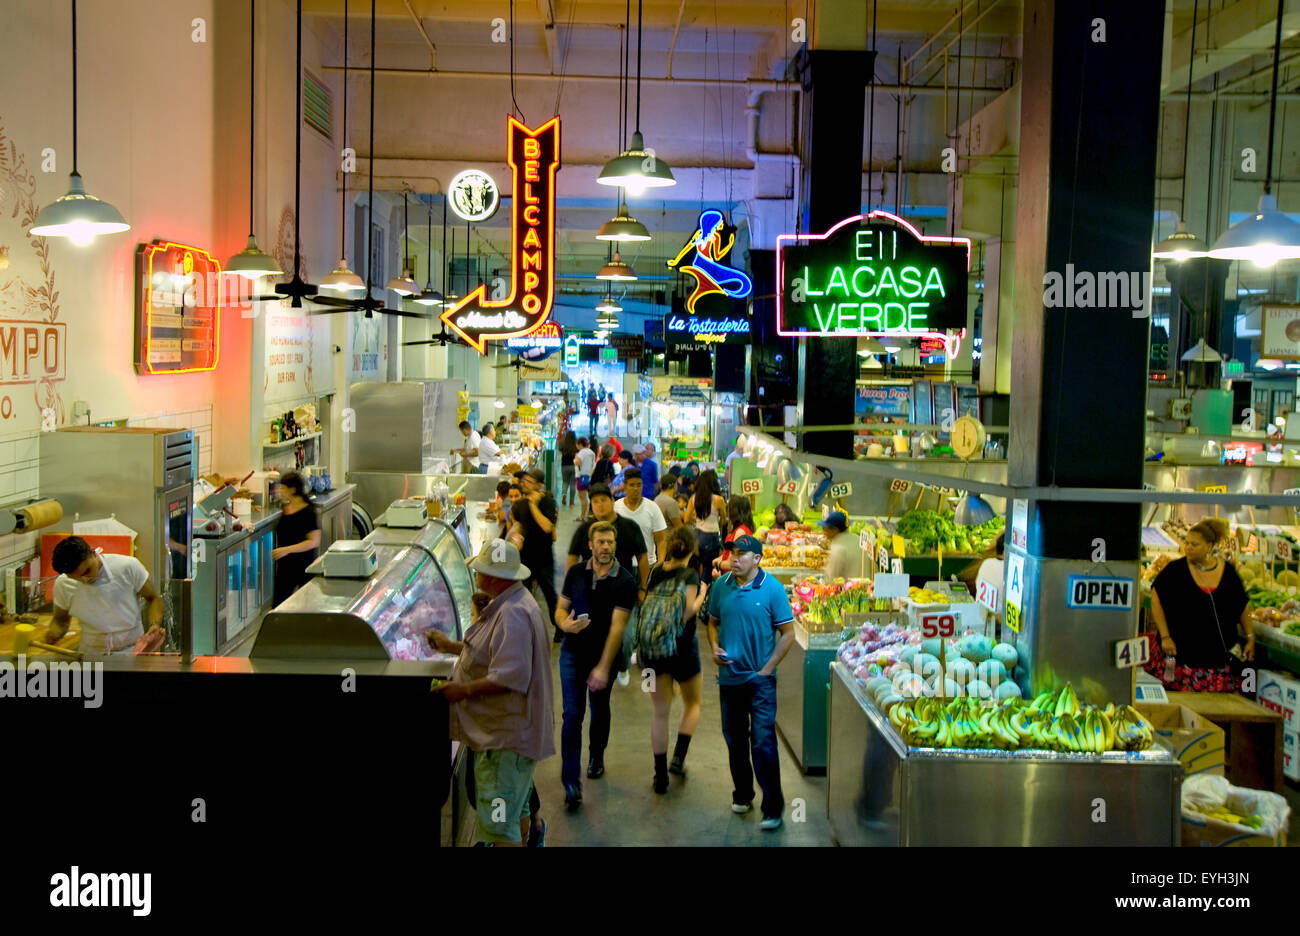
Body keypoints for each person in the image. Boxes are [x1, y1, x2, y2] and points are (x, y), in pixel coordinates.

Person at [428, 539, 555, 846]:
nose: (475, 576)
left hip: (503, 742)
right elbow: (495, 652)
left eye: (480, 571)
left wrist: (461, 690)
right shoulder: (518, 602)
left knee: (499, 826)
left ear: (495, 578)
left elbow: (509, 675)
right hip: (517, 739)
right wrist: (450, 647)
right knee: (516, 808)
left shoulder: (511, 614)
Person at [706, 535, 796, 830]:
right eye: (733, 552)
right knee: (734, 740)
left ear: (757, 559)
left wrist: (767, 669)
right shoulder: (721, 585)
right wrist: (714, 647)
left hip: (760, 682)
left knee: (763, 741)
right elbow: (712, 622)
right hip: (729, 678)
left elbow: (788, 634)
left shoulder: (773, 589)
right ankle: (743, 794)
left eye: (742, 554)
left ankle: (773, 806)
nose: (735, 558)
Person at [555, 521, 638, 809]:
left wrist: (603, 667)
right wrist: (565, 623)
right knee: (572, 715)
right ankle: (570, 783)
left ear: (615, 546)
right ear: (590, 545)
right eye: (600, 542)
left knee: (599, 708)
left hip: (604, 654)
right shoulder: (576, 573)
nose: (605, 547)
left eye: (610, 543)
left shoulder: (625, 581)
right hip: (572, 654)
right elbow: (561, 608)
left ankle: (597, 754)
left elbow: (618, 628)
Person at [639, 526, 709, 793]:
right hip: (683, 650)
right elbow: (687, 612)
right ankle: (678, 759)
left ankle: (659, 776)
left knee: (660, 713)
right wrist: (702, 593)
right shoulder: (691, 574)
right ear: (691, 550)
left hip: (654, 652)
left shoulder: (656, 571)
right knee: (693, 705)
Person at [1150, 518, 1255, 686]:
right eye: (1187, 543)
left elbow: (1242, 606)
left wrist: (1250, 637)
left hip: (1217, 663)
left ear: (1209, 546)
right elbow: (1156, 600)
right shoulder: (1174, 571)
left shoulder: (1228, 573)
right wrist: (1165, 636)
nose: (1189, 548)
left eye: (1195, 544)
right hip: (1179, 659)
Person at [46, 536, 166, 656]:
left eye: (87, 571)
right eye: (76, 578)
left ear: (93, 553)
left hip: (132, 651)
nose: (85, 580)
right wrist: (52, 635)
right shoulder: (63, 584)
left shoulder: (127, 566)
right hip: (91, 655)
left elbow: (154, 598)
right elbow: (60, 621)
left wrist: (154, 624)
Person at [508, 468, 560, 638]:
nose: (525, 485)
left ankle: (559, 628)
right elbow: (516, 523)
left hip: (543, 557)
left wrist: (533, 505)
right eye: (524, 481)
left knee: (550, 593)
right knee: (524, 595)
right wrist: (515, 537)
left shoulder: (547, 503)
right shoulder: (520, 505)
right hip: (525, 558)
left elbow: (547, 527)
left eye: (529, 482)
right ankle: (525, 629)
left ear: (539, 485)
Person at [567, 483, 650, 590]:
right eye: (595, 501)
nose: (600, 505)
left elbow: (642, 556)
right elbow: (572, 558)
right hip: (591, 590)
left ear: (612, 501)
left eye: (603, 500)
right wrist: (571, 589)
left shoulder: (630, 527)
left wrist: (644, 587)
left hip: (623, 589)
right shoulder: (584, 530)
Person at [271, 471, 322, 605]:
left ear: (292, 490)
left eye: (282, 488)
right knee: (279, 605)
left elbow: (314, 541)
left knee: (305, 604)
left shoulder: (308, 512)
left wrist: (287, 550)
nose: (279, 491)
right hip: (285, 567)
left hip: (303, 566)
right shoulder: (286, 507)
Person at [615, 467, 668, 567]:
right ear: (625, 486)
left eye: (639, 485)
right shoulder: (616, 508)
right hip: (621, 565)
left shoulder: (652, 507)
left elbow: (661, 540)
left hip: (648, 564)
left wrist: (660, 564)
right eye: (632, 485)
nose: (635, 488)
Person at [687, 469, 727, 584]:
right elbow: (723, 519)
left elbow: (686, 519)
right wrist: (718, 524)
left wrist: (698, 520)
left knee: (696, 565)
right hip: (711, 535)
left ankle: (696, 589)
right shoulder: (718, 499)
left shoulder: (693, 498)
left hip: (697, 534)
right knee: (708, 567)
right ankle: (704, 593)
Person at [714, 495, 755, 576]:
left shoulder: (740, 532)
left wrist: (717, 564)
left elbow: (731, 563)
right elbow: (727, 554)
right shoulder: (741, 529)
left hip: (732, 577)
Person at [819, 510, 861, 582]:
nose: (824, 532)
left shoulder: (838, 549)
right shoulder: (857, 537)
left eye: (825, 529)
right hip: (869, 586)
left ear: (835, 529)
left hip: (851, 589)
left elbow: (830, 578)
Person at [574, 437, 597, 520]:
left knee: (582, 497)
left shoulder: (581, 452)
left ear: (580, 444)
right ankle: (586, 514)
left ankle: (583, 516)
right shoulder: (592, 452)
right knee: (586, 496)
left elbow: (578, 462)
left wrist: (576, 458)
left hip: (581, 476)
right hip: (588, 476)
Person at [559, 431, 579, 508]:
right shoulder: (576, 445)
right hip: (574, 466)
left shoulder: (562, 444)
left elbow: (560, 449)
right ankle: (571, 502)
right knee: (573, 484)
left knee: (565, 481)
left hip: (564, 466)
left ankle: (564, 493)